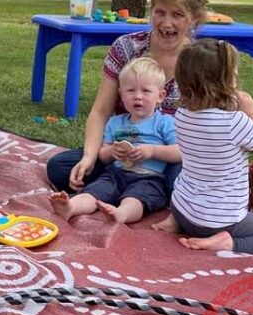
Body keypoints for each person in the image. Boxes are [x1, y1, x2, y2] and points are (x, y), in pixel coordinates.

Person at [46, 0, 207, 193]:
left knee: (182, 181)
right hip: (123, 150)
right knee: (60, 168)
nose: (166, 23)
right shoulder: (127, 47)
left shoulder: (203, 61)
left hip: (174, 154)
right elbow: (101, 111)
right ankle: (125, 184)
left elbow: (210, 126)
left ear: (194, 19)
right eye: (160, 12)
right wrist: (89, 157)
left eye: (177, 14)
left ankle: (129, 187)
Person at [151, 39, 253, 255]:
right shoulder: (234, 122)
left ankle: (174, 221)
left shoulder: (182, 114)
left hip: (182, 207)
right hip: (218, 220)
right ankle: (227, 243)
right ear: (222, 81)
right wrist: (250, 111)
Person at [49, 57, 179, 224]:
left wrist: (153, 151)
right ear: (121, 95)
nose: (138, 97)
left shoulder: (165, 122)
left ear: (160, 96)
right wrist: (111, 152)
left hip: (150, 177)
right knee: (93, 191)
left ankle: (121, 214)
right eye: (131, 91)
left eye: (146, 91)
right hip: (116, 174)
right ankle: (70, 207)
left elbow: (180, 151)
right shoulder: (115, 122)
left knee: (136, 199)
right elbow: (102, 155)